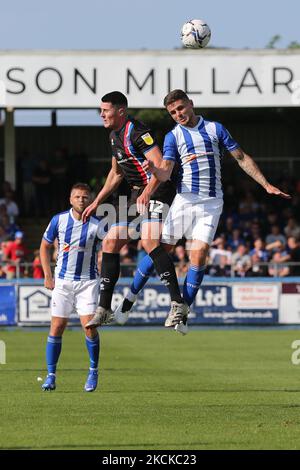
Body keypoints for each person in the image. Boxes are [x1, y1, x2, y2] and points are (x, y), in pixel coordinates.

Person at [116, 89, 291, 326]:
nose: (178, 114)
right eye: (172, 112)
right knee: (160, 250)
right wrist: (156, 172)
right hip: (185, 200)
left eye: (180, 108)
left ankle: (181, 311)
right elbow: (166, 170)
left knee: (198, 255)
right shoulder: (173, 136)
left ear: (191, 104)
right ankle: (130, 298)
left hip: (211, 202)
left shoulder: (215, 129)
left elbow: (241, 158)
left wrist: (266, 184)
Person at [82, 91, 188, 333]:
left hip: (158, 190)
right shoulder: (113, 136)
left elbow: (161, 166)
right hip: (136, 195)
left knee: (149, 241)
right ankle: (105, 308)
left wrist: (148, 192)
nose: (101, 114)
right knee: (110, 242)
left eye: (105, 110)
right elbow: (116, 173)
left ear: (120, 111)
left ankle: (177, 302)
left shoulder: (138, 132)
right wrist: (97, 200)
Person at [39, 183, 106, 392]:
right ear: (70, 199)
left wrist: (107, 267)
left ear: (90, 200)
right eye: (77, 197)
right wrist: (48, 275)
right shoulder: (58, 220)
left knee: (89, 327)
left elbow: (110, 249)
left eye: (85, 197)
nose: (81, 200)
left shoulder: (97, 224)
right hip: (63, 281)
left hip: (88, 282)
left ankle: (93, 371)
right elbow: (44, 246)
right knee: (57, 327)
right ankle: (51, 375)